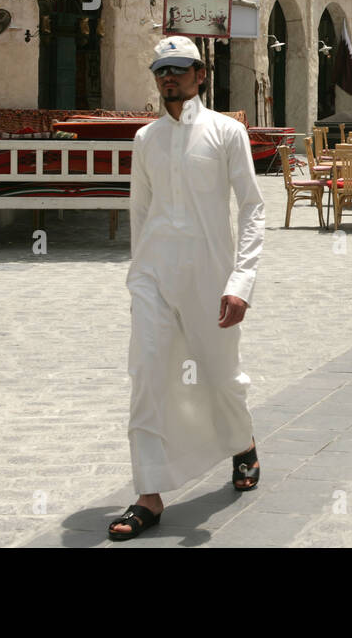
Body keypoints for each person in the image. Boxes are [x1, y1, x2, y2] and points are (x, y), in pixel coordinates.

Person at [108, 36, 266, 541]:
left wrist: (241, 281)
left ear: (201, 74)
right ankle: (148, 496)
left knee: (220, 377)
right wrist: (139, 275)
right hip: (154, 278)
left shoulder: (226, 132)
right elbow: (139, 212)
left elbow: (253, 208)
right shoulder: (145, 140)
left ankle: (242, 445)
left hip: (211, 278)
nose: (168, 78)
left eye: (178, 69)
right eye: (161, 70)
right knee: (147, 376)